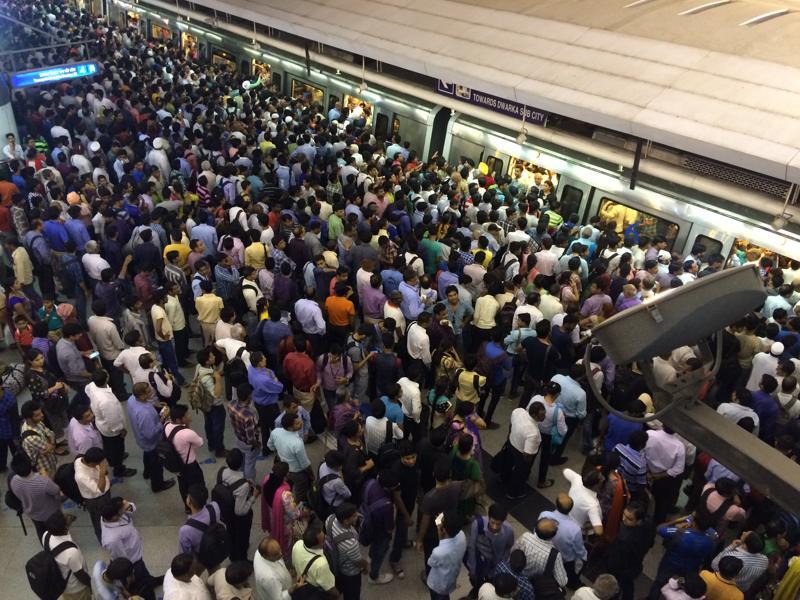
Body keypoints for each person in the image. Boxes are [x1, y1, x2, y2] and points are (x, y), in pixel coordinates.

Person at [100, 497, 157, 596]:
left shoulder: (109, 515)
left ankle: (150, 581)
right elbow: (121, 559)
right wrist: (130, 572)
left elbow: (132, 508)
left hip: (136, 554)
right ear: (114, 517)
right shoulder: (112, 540)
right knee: (141, 583)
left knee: (145, 574)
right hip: (133, 561)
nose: (125, 508)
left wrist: (127, 506)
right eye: (122, 509)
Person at [86, 369, 137, 478]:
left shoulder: (92, 386)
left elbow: (87, 389)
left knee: (108, 445)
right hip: (112, 430)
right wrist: (120, 429)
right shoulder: (106, 401)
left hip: (102, 425)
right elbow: (113, 420)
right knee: (117, 448)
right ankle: (119, 469)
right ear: (106, 379)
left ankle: (111, 459)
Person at [126, 381, 175, 493]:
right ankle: (158, 485)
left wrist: (154, 405)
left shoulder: (132, 399)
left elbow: (143, 404)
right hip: (152, 443)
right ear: (142, 395)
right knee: (156, 465)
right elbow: (150, 434)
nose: (151, 392)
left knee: (147, 455)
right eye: (148, 392)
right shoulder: (144, 414)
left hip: (142, 440)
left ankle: (147, 473)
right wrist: (163, 418)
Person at [605, 502, 655, 600]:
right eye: (624, 514)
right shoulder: (649, 524)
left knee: (615, 588)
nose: (623, 519)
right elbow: (651, 544)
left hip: (621, 568)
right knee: (628, 586)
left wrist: (609, 566)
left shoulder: (624, 537)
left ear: (638, 521)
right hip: (636, 564)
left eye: (629, 519)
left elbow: (617, 559)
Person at [8, 451, 63, 540]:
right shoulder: (43, 481)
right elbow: (56, 491)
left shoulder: (13, 480)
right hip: (51, 513)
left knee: (41, 532)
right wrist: (46, 477)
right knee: (58, 533)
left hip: (33, 514)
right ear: (30, 464)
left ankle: (46, 546)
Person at [42, 510, 93, 600]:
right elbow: (80, 574)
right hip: (76, 589)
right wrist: (91, 585)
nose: (67, 516)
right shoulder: (71, 552)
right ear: (65, 528)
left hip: (61, 583)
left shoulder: (46, 535)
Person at [539, 494, 587, 589]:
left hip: (547, 551)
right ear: (571, 509)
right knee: (571, 575)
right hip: (566, 559)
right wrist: (583, 557)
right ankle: (572, 584)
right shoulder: (574, 529)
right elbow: (579, 549)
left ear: (556, 505)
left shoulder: (544, 515)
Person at [220, 448, 260, 561]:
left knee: (231, 533)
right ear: (241, 463)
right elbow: (240, 511)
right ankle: (242, 561)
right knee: (242, 538)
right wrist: (253, 496)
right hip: (238, 519)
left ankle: (232, 555)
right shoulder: (243, 485)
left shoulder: (222, 471)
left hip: (226, 511)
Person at [466, 504, 515, 593]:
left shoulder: (509, 531)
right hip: (480, 563)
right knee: (477, 584)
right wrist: (472, 570)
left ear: (504, 521)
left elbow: (509, 547)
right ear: (488, 517)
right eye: (492, 522)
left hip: (496, 566)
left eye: (498, 524)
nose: (494, 527)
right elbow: (471, 547)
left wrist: (502, 563)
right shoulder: (477, 525)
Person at [502, 402, 546, 499]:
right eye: (542, 415)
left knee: (508, 464)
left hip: (511, 443)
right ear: (534, 415)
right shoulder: (534, 433)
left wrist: (509, 435)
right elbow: (527, 454)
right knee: (519, 473)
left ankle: (503, 479)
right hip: (520, 452)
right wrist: (526, 465)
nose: (544, 417)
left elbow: (511, 424)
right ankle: (513, 493)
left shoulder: (518, 411)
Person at [165, 404, 207, 506]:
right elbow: (200, 443)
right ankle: (199, 506)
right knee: (197, 487)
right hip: (190, 466)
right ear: (178, 420)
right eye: (186, 415)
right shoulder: (187, 433)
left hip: (177, 465)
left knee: (183, 486)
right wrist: (187, 427)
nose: (189, 416)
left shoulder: (166, 426)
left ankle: (188, 507)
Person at [267, 413, 313, 503]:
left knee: (287, 487)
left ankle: (286, 502)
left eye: (300, 420)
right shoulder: (297, 443)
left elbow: (270, 446)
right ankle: (299, 507)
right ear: (290, 428)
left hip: (285, 469)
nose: (301, 423)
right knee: (300, 492)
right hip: (297, 472)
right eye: (297, 423)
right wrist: (311, 474)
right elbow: (304, 464)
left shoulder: (275, 432)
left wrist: (280, 452)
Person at [324, 502, 366, 600]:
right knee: (352, 594)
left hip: (335, 562)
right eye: (354, 516)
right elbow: (358, 562)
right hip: (349, 571)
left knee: (340, 584)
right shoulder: (350, 543)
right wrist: (366, 566)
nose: (357, 516)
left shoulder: (330, 519)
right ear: (346, 521)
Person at [511, 518, 568, 586]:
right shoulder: (555, 555)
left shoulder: (526, 536)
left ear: (535, 529)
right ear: (552, 536)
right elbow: (562, 582)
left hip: (514, 574)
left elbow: (513, 551)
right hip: (533, 585)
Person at [427, 510, 468, 600]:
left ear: (444, 530)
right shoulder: (462, 535)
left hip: (437, 585)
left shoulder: (438, 552)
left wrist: (439, 532)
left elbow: (430, 562)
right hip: (451, 578)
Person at [195, 347, 227, 457]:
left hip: (204, 404)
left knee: (208, 424)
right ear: (207, 361)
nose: (214, 357)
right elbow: (216, 395)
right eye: (211, 356)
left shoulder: (199, 367)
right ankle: (219, 449)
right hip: (215, 406)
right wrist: (217, 380)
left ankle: (211, 444)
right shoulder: (207, 378)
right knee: (218, 427)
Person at [291, 525, 338, 599]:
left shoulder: (298, 544)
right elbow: (330, 588)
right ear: (316, 545)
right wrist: (337, 595)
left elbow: (294, 565)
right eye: (323, 539)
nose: (326, 537)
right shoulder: (321, 564)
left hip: (302, 583)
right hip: (316, 592)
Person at [228, 382, 261, 480]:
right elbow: (251, 439)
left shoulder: (231, 404)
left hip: (238, 438)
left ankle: (241, 477)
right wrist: (257, 444)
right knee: (249, 464)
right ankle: (249, 482)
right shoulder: (248, 416)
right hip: (248, 444)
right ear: (249, 396)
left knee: (242, 460)